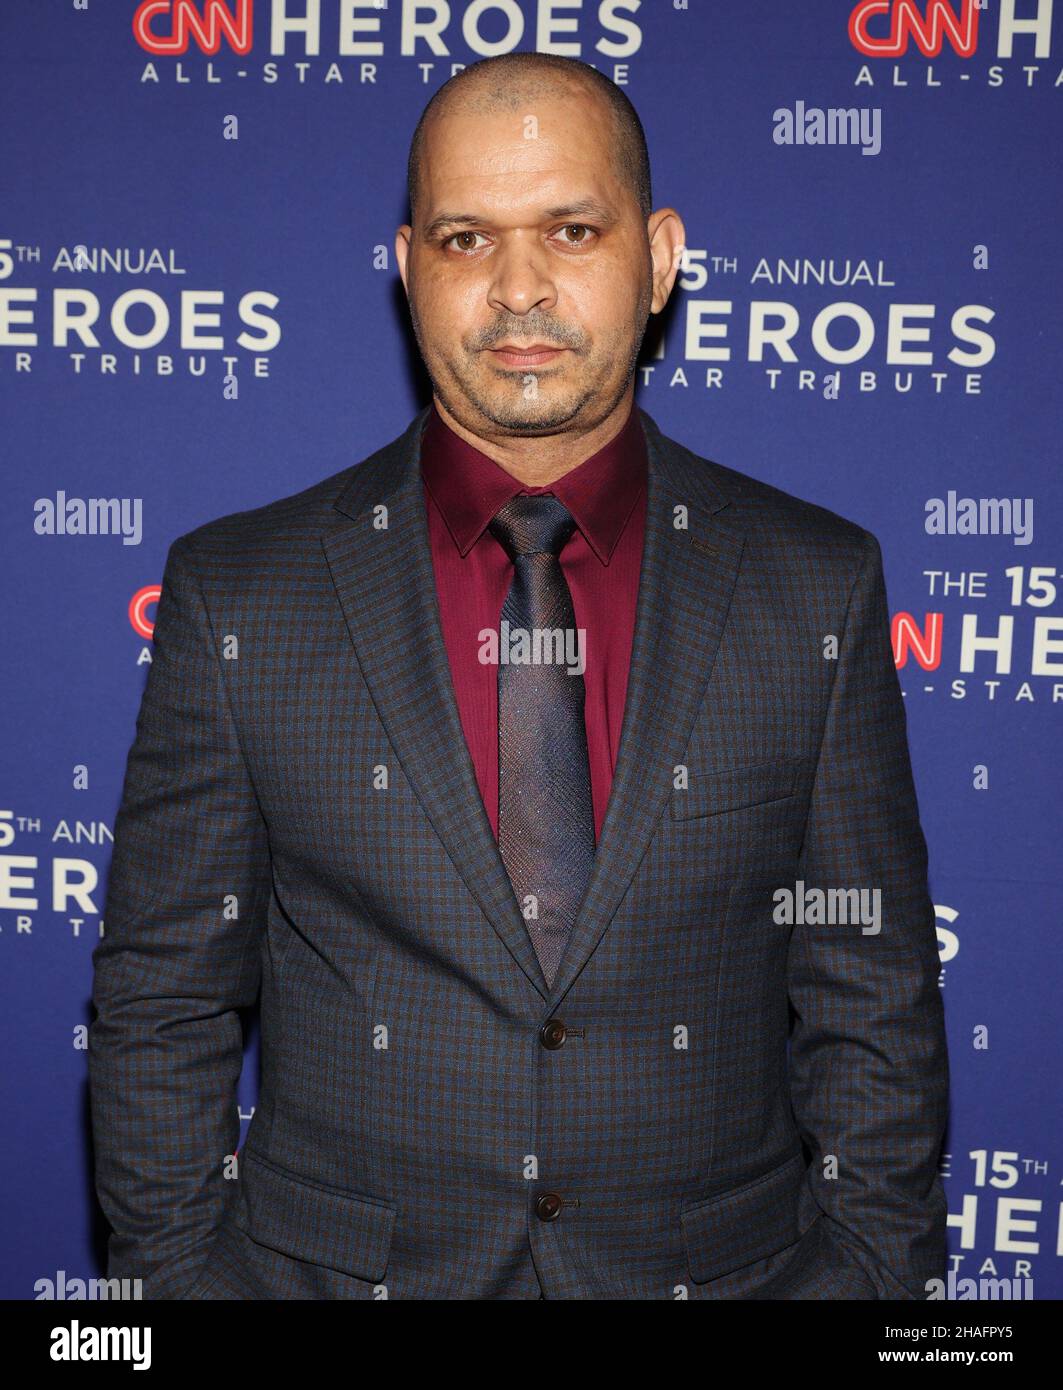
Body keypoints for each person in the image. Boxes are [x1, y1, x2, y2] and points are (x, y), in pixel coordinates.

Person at [89, 51, 949, 1300]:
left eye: (571, 229)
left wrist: (871, 1280)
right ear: (407, 268)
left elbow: (870, 989)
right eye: (464, 238)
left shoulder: (814, 583)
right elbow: (162, 997)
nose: (519, 286)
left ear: (659, 258)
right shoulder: (242, 593)